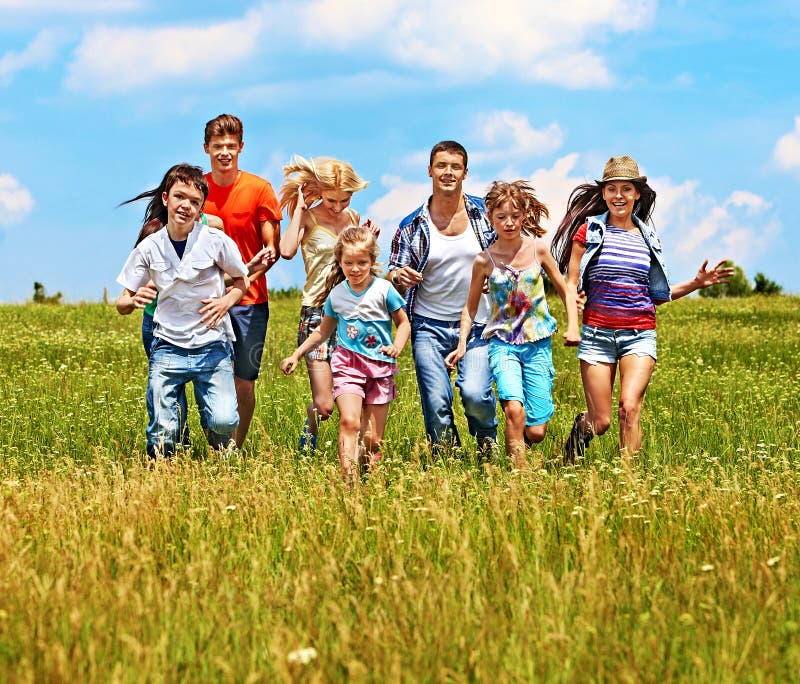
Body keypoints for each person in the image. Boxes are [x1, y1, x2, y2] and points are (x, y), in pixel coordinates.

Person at [550, 155, 734, 462]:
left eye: (626, 189)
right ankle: (576, 441)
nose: (618, 196)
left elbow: (657, 295)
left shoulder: (649, 239)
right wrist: (573, 320)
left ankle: (629, 482)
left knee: (629, 407)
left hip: (639, 334)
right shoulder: (589, 232)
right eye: (612, 189)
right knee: (601, 422)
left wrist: (697, 284)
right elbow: (571, 283)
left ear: (637, 193)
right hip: (597, 334)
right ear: (604, 193)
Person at [116, 164, 250, 459]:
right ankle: (163, 474)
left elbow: (242, 280)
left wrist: (226, 302)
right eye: (180, 197)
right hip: (167, 346)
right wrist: (135, 299)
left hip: (212, 344)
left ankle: (222, 454)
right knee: (164, 429)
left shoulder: (215, 241)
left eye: (194, 202)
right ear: (166, 198)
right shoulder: (149, 247)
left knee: (223, 419)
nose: (186, 206)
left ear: (201, 207)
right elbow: (121, 302)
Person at [446, 181, 580, 467]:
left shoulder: (538, 251)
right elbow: (469, 309)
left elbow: (566, 288)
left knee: (536, 430)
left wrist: (573, 326)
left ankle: (518, 447)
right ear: (489, 217)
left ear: (525, 215)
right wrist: (461, 346)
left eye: (515, 216)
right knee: (514, 412)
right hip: (502, 345)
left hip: (537, 345)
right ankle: (516, 480)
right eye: (501, 217)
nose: (509, 223)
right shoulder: (484, 260)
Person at [388, 141, 497, 455]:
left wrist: (497, 278)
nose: (448, 173)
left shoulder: (485, 215)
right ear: (429, 171)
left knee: (476, 395)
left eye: (455, 167)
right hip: (428, 326)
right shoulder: (411, 225)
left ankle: (487, 447)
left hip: (478, 325)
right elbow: (393, 272)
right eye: (441, 166)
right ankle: (446, 458)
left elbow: (508, 254)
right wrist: (398, 277)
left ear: (465, 172)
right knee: (436, 402)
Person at [280, 226, 410, 485]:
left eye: (362, 262)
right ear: (339, 262)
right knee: (349, 422)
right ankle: (348, 485)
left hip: (380, 368)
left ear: (372, 261)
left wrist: (397, 346)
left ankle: (366, 473)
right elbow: (323, 331)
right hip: (347, 366)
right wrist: (296, 354)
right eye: (348, 262)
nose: (355, 269)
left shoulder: (384, 290)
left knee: (373, 440)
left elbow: (404, 324)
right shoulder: (336, 295)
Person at [278, 155, 375, 450]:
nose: (337, 206)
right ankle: (310, 427)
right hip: (316, 314)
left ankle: (355, 451)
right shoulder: (308, 217)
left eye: (344, 200)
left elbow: (361, 264)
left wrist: (369, 239)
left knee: (356, 390)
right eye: (332, 200)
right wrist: (298, 211)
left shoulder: (354, 219)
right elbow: (286, 250)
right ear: (320, 191)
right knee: (324, 405)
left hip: (351, 313)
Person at [202, 114, 283, 448]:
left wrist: (241, 279)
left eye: (231, 146)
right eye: (218, 146)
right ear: (206, 148)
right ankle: (216, 442)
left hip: (249, 302)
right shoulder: (197, 190)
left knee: (243, 382)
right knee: (207, 377)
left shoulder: (259, 189)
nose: (225, 152)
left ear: (241, 148)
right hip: (206, 300)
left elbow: (271, 251)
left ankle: (235, 446)